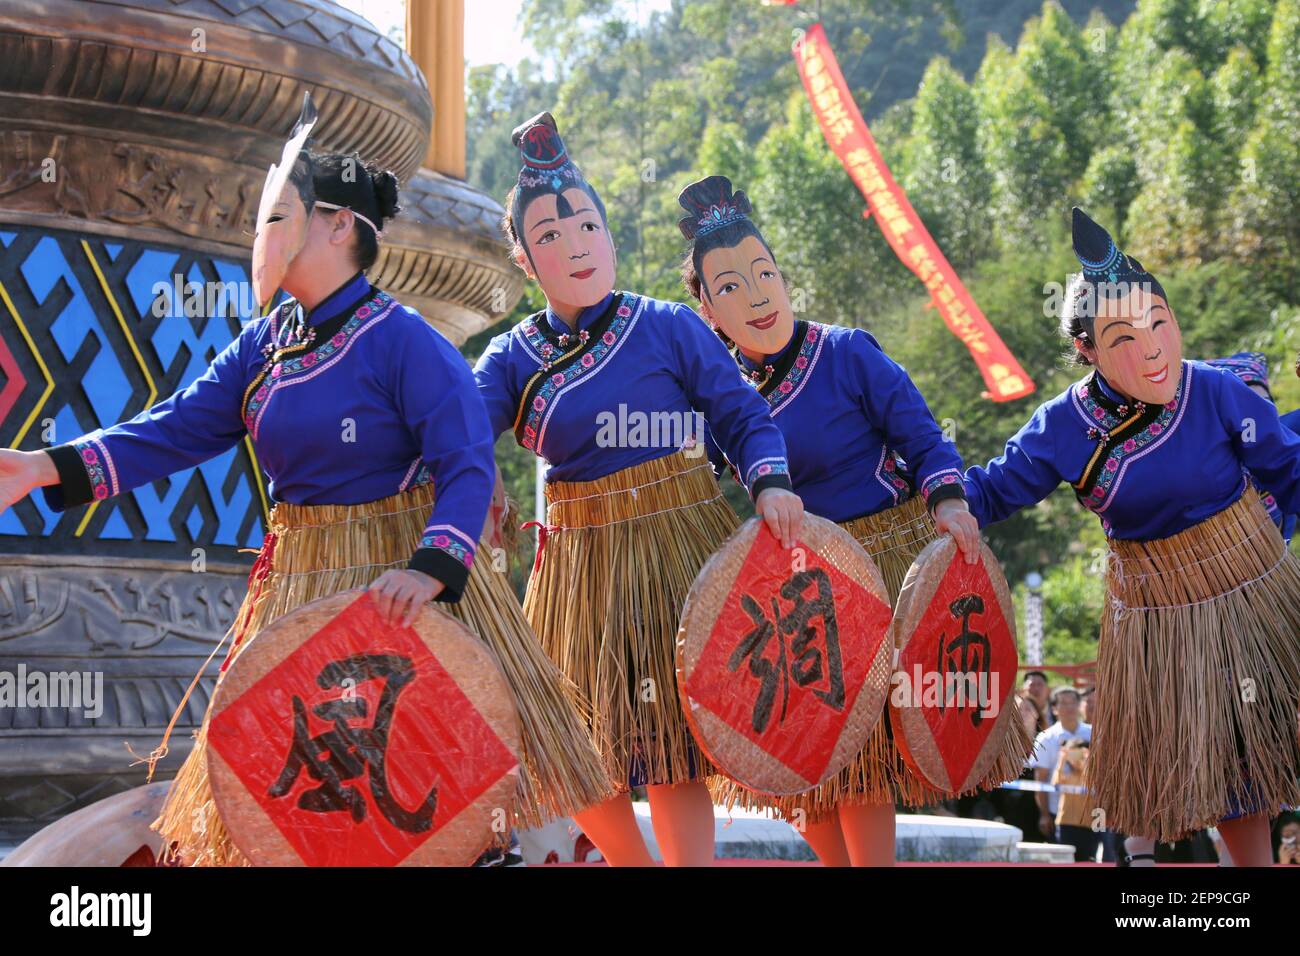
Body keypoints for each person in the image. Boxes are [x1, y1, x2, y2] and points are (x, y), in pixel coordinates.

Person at [0, 98, 612, 864]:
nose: (263, 235)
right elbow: (176, 428)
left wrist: (430, 569)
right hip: (300, 582)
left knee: (429, 795)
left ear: (337, 225)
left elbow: (465, 460)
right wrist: (40, 469)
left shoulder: (404, 341)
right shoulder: (262, 348)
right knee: (296, 806)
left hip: (400, 590)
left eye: (281, 215)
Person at [474, 116, 804, 867]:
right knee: (572, 739)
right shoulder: (512, 356)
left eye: (587, 223)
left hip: (676, 541)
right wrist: (479, 480)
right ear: (526, 259)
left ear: (609, 232)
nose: (577, 243)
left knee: (671, 747)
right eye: (551, 237)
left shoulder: (665, 326)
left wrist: (770, 480)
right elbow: (459, 429)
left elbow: (742, 412)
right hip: (577, 566)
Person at [676, 175, 1029, 866]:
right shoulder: (719, 396)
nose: (755, 294)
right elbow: (701, 476)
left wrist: (950, 501)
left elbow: (922, 436)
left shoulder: (845, 352)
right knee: (802, 769)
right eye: (729, 286)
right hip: (797, 593)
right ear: (708, 313)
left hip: (879, 567)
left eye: (764, 273)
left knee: (862, 762)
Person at [964, 207, 1300, 866]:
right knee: (1230, 770)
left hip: (1254, 592)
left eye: (1156, 324)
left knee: (1267, 743)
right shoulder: (1061, 426)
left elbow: (1288, 467)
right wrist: (929, 492)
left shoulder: (1213, 391)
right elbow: (992, 492)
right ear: (1086, 348)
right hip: (1159, 621)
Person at [1207, 352, 1296, 542]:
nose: (1257, 412)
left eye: (1263, 402)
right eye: (1246, 406)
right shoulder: (1211, 473)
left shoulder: (1282, 439)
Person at [1032, 688, 1097, 861]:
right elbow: (1041, 779)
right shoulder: (1046, 738)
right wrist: (1044, 814)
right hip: (1059, 813)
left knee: (1091, 858)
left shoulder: (1094, 733)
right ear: (1054, 708)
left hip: (1092, 811)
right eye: (1064, 703)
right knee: (1063, 859)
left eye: (1073, 702)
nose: (1069, 707)